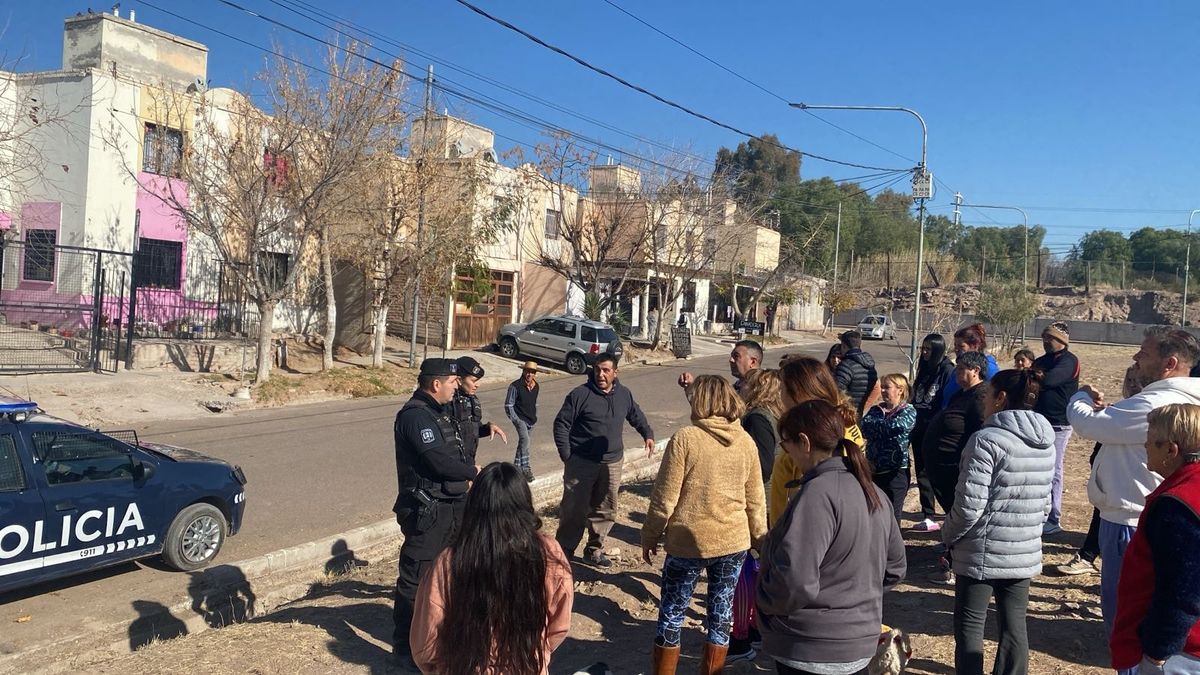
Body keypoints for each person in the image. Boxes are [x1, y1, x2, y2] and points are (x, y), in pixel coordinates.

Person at [1068, 326, 1200, 674]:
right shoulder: (1180, 398)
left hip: (1129, 520)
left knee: (1129, 616)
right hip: (1144, 514)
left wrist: (1079, 398)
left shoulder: (1157, 403)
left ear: (1169, 362)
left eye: (1144, 352)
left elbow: (1091, 425)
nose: (1135, 357)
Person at [757, 399, 906, 675]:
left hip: (810, 644)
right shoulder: (874, 492)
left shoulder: (817, 495)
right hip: (859, 644)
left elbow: (795, 582)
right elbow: (895, 568)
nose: (786, 454)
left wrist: (763, 599)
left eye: (786, 445)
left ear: (804, 442)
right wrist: (857, 597)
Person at [642, 375, 767, 675]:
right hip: (733, 543)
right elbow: (756, 498)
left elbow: (665, 495)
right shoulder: (745, 442)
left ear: (701, 401)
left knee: (672, 613)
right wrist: (760, 539)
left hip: (688, 542)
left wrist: (650, 533)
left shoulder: (686, 438)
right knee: (721, 614)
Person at [410, 462, 573, 675]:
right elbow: (559, 625)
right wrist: (535, 651)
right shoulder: (548, 552)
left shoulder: (449, 562)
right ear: (524, 503)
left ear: (474, 505)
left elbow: (425, 645)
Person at [943, 369, 1055, 675]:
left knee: (970, 625)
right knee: (1015, 625)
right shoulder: (1047, 441)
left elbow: (968, 507)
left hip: (981, 552)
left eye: (988, 394)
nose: (984, 401)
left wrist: (947, 535)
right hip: (1023, 549)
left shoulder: (985, 440)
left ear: (1001, 398)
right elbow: (1046, 502)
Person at [391, 358, 480, 668]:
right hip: (428, 511)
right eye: (453, 382)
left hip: (454, 506)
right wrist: (473, 472)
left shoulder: (440, 412)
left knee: (451, 574)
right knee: (416, 579)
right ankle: (404, 648)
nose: (458, 387)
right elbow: (437, 462)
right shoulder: (415, 417)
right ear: (436, 384)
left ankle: (440, 636)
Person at [1112, 403, 1200, 674]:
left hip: (1179, 653)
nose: (1145, 448)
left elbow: (1181, 591)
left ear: (1171, 450)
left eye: (1150, 442)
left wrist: (1156, 655)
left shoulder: (1177, 505)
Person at [554, 353, 655, 568]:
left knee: (606, 508)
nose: (601, 374)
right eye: (598, 369)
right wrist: (567, 456)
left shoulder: (624, 395)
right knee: (574, 509)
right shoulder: (580, 395)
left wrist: (647, 434)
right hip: (581, 462)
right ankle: (564, 553)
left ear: (615, 372)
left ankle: (594, 549)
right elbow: (561, 425)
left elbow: (636, 415)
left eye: (606, 370)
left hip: (612, 462)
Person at [1057, 366, 1142, 576]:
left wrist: (1082, 396)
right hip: (1108, 486)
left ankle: (1088, 555)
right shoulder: (1119, 409)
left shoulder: (1141, 413)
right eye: (1129, 379)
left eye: (1137, 379)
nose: (1132, 383)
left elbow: (1085, 423)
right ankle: (1088, 555)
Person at [728, 367, 786, 663]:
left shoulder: (758, 418)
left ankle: (743, 636)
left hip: (757, 501)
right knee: (758, 566)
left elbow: (760, 464)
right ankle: (755, 628)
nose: (742, 388)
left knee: (745, 568)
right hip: (768, 499)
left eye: (747, 385)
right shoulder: (775, 416)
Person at [768, 357, 864, 525]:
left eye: (782, 389)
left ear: (798, 394)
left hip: (804, 530)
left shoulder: (812, 438)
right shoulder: (842, 422)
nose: (779, 396)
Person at [923, 350, 990, 585]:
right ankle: (951, 557)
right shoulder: (962, 394)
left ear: (976, 371)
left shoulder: (981, 397)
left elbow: (980, 434)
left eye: (962, 369)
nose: (957, 373)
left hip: (957, 469)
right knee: (953, 516)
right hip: (943, 469)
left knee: (962, 518)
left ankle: (954, 566)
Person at [1033, 322, 1080, 536]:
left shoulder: (1070, 362)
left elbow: (1050, 380)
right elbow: (1029, 380)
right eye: (1044, 337)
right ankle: (1037, 513)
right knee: (1036, 470)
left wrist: (1036, 376)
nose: (1045, 341)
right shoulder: (1041, 361)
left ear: (1062, 341)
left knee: (1054, 470)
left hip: (1059, 423)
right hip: (1037, 420)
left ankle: (1054, 517)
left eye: (1049, 338)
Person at [911, 333, 956, 532]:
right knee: (921, 471)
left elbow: (946, 400)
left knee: (938, 472)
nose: (925, 352)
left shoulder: (947, 370)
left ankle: (950, 513)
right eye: (923, 348)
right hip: (919, 427)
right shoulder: (923, 369)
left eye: (929, 349)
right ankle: (928, 514)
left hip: (936, 428)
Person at [861, 373, 918, 522]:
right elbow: (864, 428)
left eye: (887, 387)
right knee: (874, 514)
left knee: (893, 515)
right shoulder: (875, 410)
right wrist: (882, 428)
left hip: (896, 473)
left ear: (900, 390)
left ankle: (894, 545)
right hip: (873, 471)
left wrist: (877, 428)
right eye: (882, 387)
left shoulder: (909, 411)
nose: (883, 391)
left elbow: (897, 427)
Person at [453, 356, 508, 467]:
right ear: (459, 380)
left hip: (469, 462)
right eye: (473, 381)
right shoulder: (448, 401)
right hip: (453, 466)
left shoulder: (472, 399)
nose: (478, 385)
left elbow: (472, 430)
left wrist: (488, 427)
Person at [739, 368, 785, 486]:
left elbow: (762, 467)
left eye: (745, 383)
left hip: (762, 494)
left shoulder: (757, 419)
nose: (740, 386)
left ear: (756, 389)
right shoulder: (776, 413)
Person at [941, 323, 1000, 407]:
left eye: (961, 346)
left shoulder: (988, 367)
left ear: (975, 346)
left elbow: (996, 393)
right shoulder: (958, 368)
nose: (956, 349)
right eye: (955, 345)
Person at [678, 339, 763, 393]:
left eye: (736, 356)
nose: (731, 360)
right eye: (731, 356)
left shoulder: (762, 391)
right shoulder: (739, 385)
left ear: (752, 362)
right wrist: (689, 387)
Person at [505, 361, 541, 483]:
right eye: (528, 371)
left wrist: (535, 415)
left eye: (532, 372)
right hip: (520, 419)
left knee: (522, 444)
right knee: (525, 441)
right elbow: (509, 405)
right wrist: (516, 420)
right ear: (523, 371)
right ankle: (526, 469)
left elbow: (534, 402)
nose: (529, 374)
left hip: (531, 419)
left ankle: (515, 469)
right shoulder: (515, 386)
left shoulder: (536, 386)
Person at [834, 330, 879, 418]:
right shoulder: (869, 364)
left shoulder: (846, 365)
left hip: (846, 414)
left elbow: (837, 392)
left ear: (844, 346)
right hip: (860, 411)